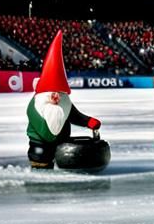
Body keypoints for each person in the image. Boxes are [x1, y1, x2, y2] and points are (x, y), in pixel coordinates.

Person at [26, 31, 100, 168]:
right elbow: (46, 132)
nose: (56, 97)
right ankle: (41, 164)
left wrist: (88, 121)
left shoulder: (63, 102)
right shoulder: (35, 105)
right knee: (40, 156)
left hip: (61, 146)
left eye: (59, 93)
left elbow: (75, 116)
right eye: (52, 93)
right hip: (40, 147)